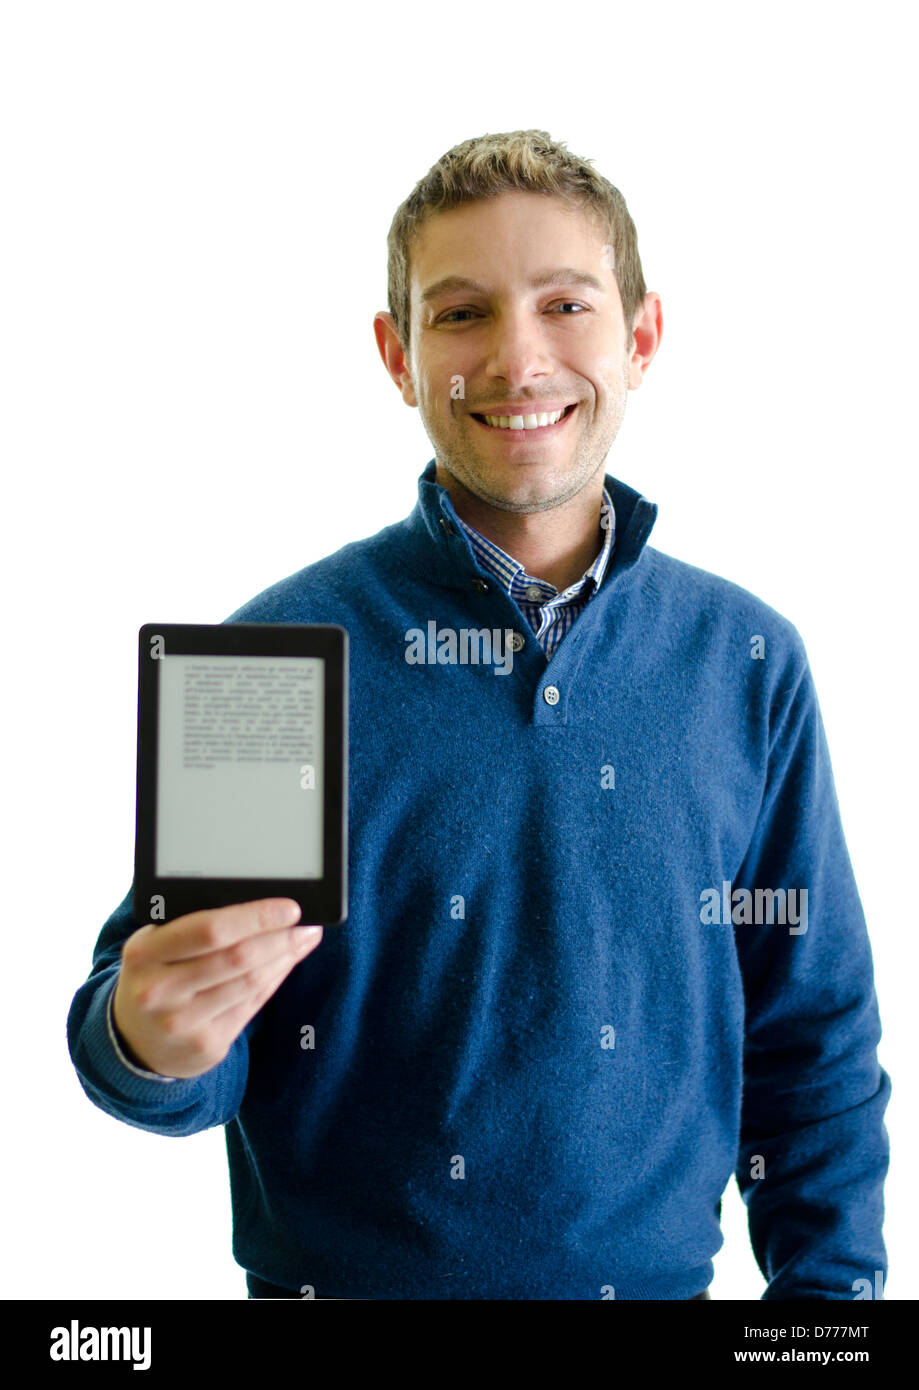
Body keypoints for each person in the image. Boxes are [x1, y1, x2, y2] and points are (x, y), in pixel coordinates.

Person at [67, 129, 890, 1301]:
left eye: (565, 304)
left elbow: (811, 1044)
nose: (518, 357)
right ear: (396, 356)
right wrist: (150, 1040)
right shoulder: (272, 660)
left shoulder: (746, 663)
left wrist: (827, 1310)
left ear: (641, 337)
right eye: (460, 316)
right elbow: (149, 1027)